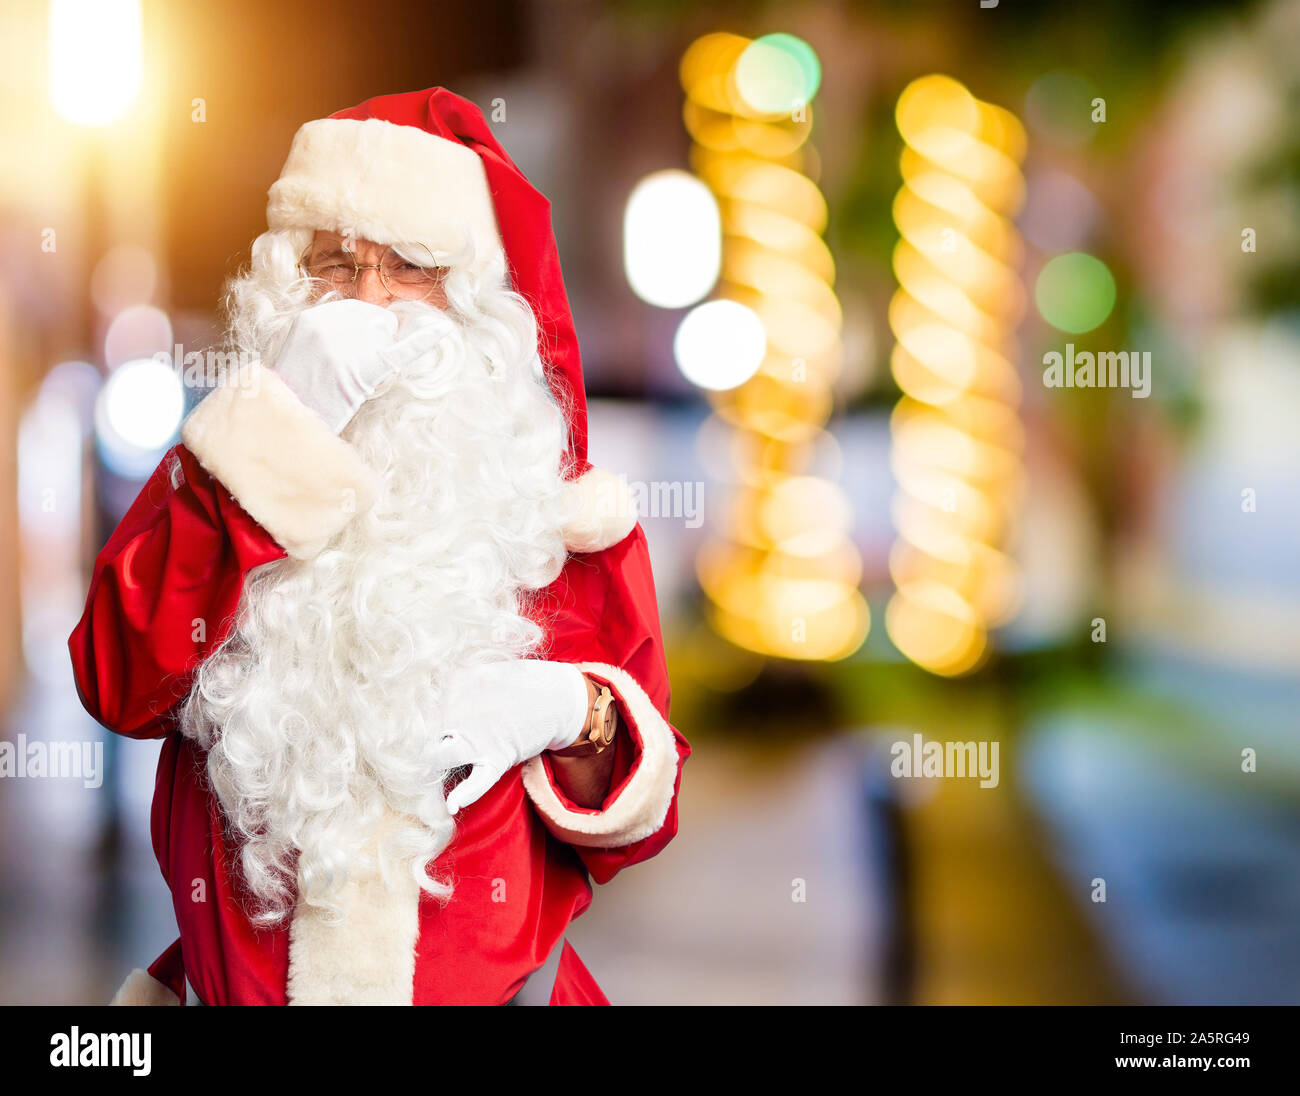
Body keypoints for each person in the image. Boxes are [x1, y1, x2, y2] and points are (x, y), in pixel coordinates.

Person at [68, 87, 690, 1006]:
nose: (370, 302)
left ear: (475, 302)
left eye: (409, 267)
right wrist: (285, 430)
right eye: (334, 264)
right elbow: (117, 679)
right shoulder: (216, 474)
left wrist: (569, 709)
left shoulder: (556, 511)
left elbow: (642, 820)